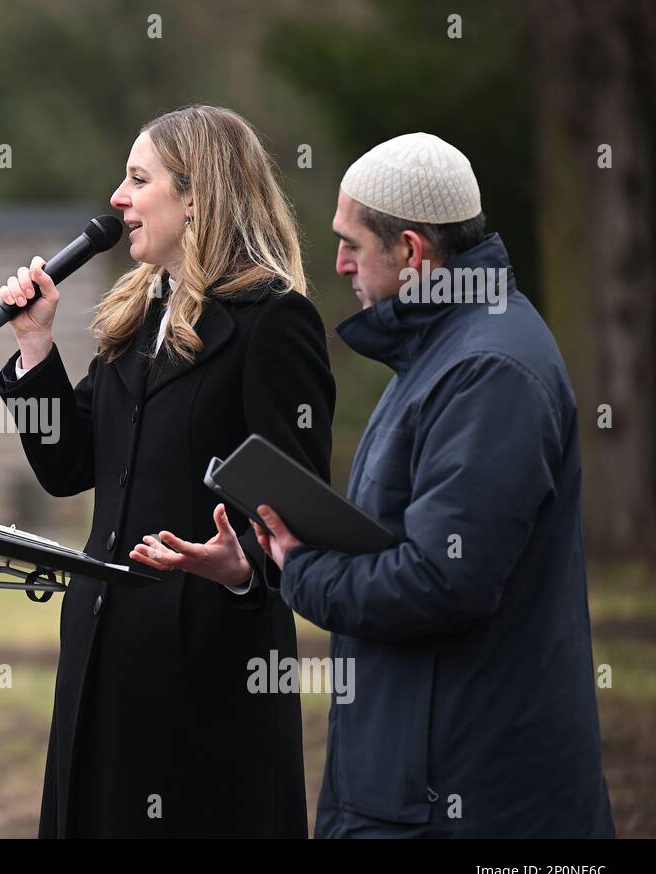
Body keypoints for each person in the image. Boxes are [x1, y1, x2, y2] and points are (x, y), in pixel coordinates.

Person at [251, 132, 614, 837]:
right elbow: (394, 538)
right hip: (414, 782)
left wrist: (302, 571)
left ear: (413, 253)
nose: (339, 263)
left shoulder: (490, 371)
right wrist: (269, 557)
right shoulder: (441, 354)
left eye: (352, 242)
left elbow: (441, 579)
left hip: (469, 800)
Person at [0, 105, 335, 837]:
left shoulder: (273, 321)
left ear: (195, 197)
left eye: (137, 178)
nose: (117, 199)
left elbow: (296, 511)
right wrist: (34, 348)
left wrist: (240, 564)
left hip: (206, 666)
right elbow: (70, 465)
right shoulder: (136, 317)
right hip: (103, 658)